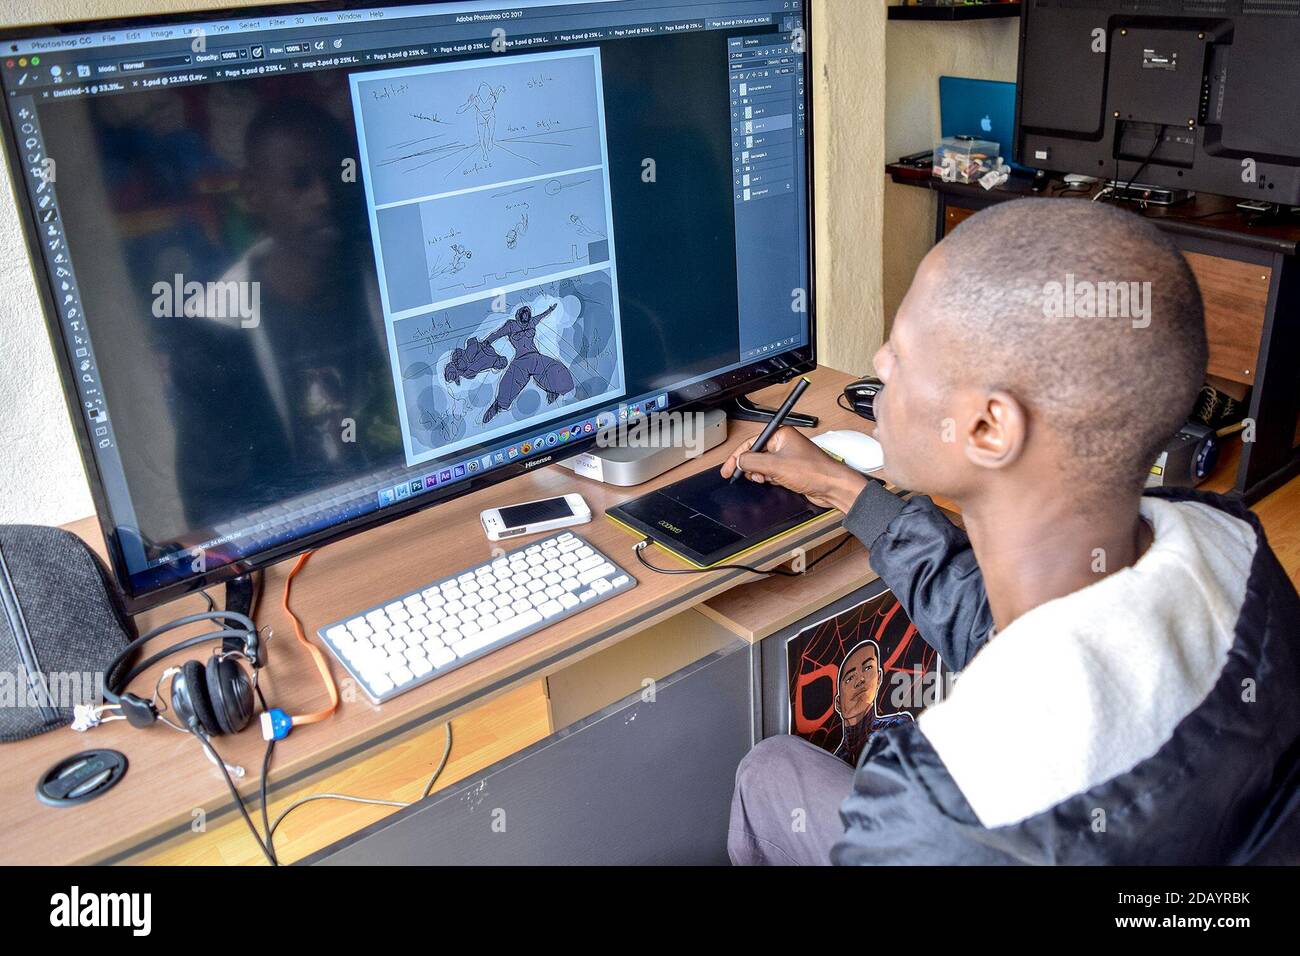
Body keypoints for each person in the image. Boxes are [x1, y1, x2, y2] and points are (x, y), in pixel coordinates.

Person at [724, 199, 1300, 865]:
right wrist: (847, 492)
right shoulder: (1231, 540)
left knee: (766, 771)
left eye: (903, 351)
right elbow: (1026, 638)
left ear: (990, 428)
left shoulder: (942, 811)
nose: (879, 361)